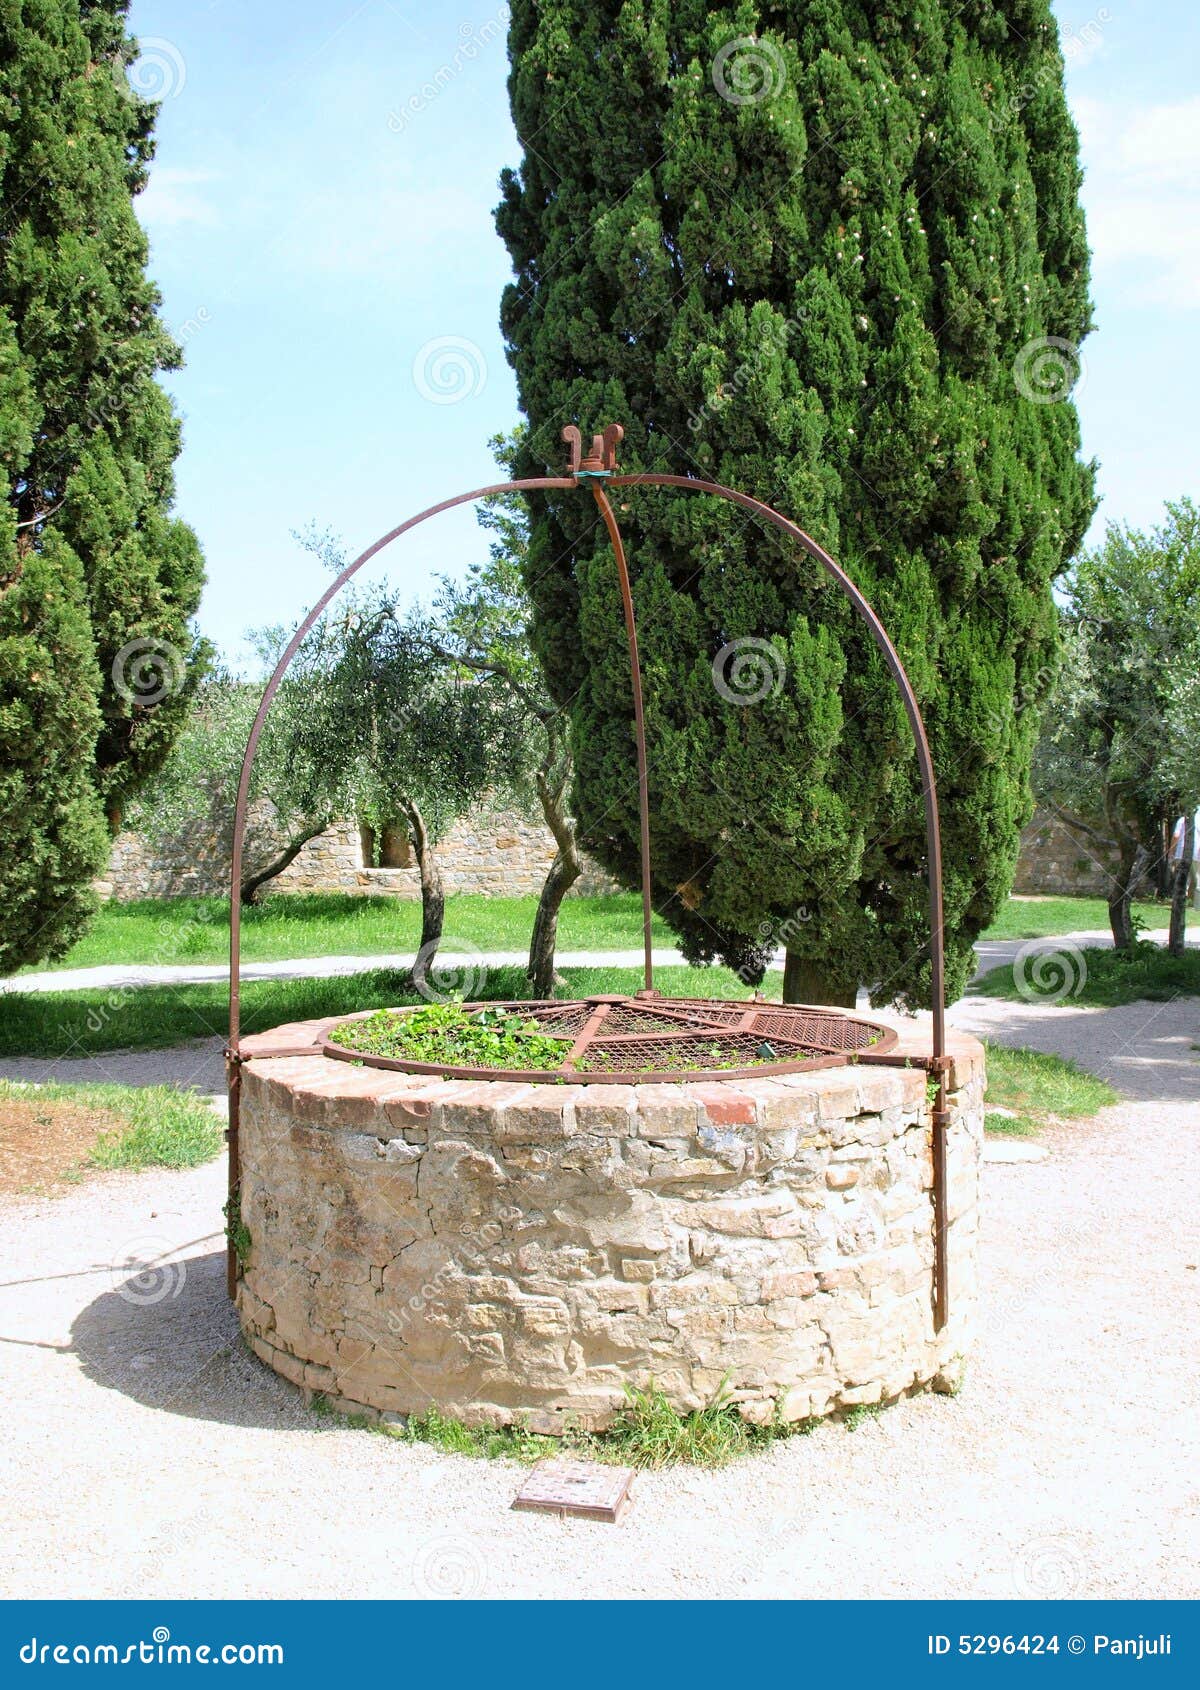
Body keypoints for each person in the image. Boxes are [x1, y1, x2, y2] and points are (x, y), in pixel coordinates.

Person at [1168, 807, 1200, 907]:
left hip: (1180, 853)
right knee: (1198, 879)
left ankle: (1179, 904)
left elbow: (1176, 836)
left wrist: (1171, 851)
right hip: (1196, 853)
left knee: (1182, 879)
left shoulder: (1182, 820)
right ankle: (1197, 905)